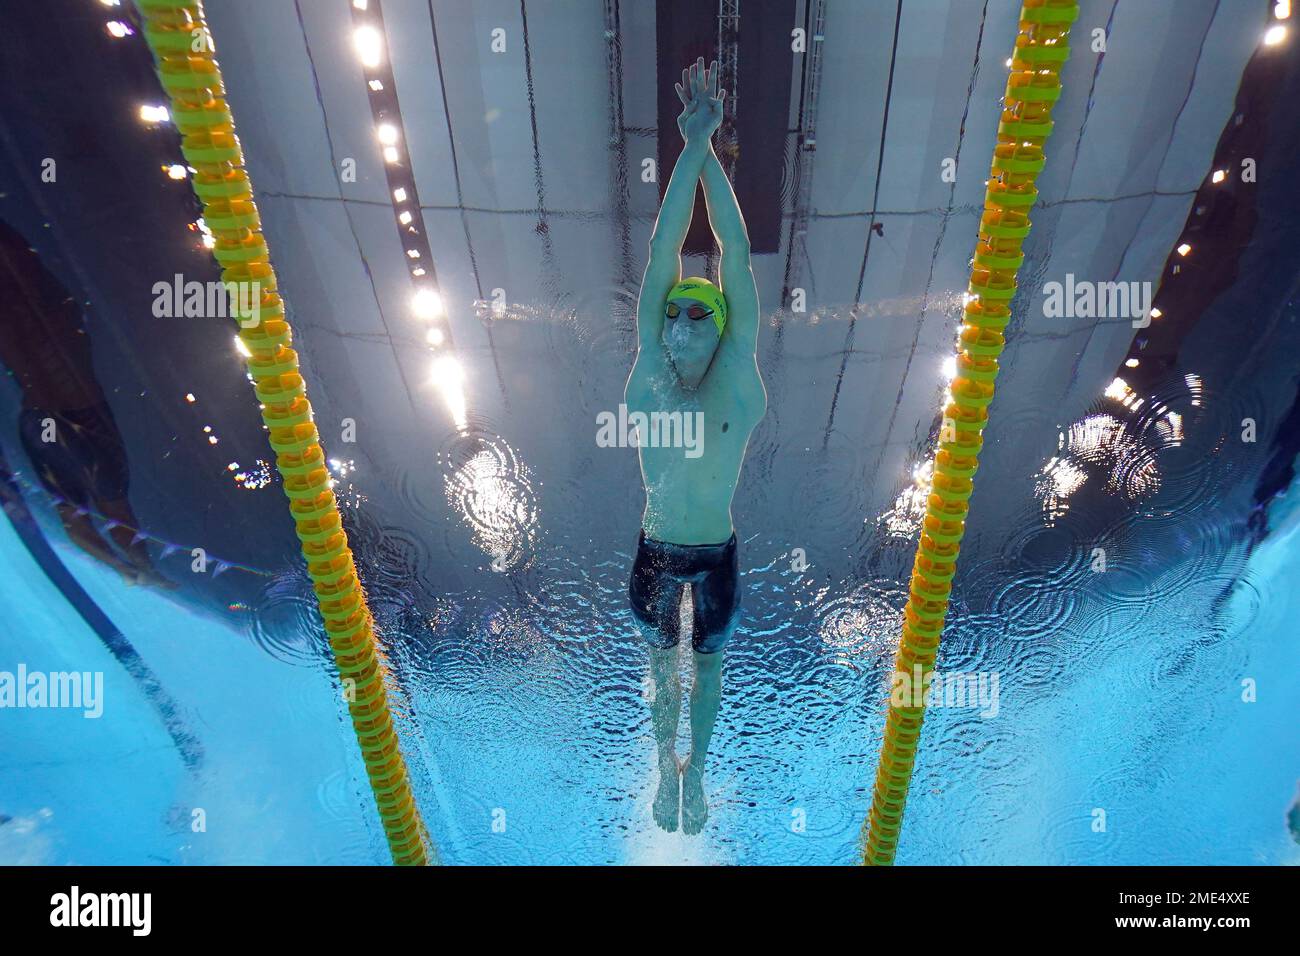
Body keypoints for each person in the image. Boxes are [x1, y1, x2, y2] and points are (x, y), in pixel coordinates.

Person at [626, 58, 767, 834]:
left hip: (715, 556)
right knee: (660, 672)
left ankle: (698, 773)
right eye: (673, 312)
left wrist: (706, 147)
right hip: (654, 548)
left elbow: (734, 259)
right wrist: (691, 148)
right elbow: (661, 256)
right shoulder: (646, 372)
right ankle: (662, 770)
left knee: (705, 674)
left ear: (724, 328)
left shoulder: (737, 378)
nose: (680, 325)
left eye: (699, 315)